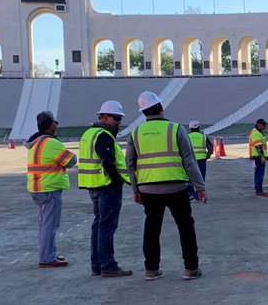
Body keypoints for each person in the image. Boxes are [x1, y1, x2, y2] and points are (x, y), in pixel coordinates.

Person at [125, 91, 207, 281]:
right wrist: (200, 187)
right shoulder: (176, 129)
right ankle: (191, 268)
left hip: (148, 190)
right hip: (176, 188)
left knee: (152, 228)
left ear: (143, 113)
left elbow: (130, 164)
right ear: (161, 107)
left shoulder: (135, 134)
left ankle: (151, 269)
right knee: (185, 225)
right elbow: (190, 162)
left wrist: (135, 190)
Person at [78, 100, 132, 277]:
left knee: (99, 225)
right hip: (107, 186)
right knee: (107, 226)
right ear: (105, 117)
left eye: (120, 119)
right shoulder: (103, 135)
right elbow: (108, 161)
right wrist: (117, 180)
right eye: (116, 118)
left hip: (93, 185)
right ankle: (108, 265)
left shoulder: (89, 133)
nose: (118, 122)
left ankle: (97, 265)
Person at [25, 110, 76, 268]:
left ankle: (47, 253)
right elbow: (71, 160)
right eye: (55, 122)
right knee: (50, 225)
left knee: (43, 224)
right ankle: (47, 258)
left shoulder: (35, 143)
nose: (57, 124)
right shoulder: (51, 143)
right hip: (50, 188)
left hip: (37, 188)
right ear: (50, 125)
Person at [186, 121, 211, 200]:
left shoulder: (187, 136)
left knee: (189, 176)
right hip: (201, 160)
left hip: (190, 160)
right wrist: (207, 156)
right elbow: (210, 148)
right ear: (199, 127)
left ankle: (191, 193)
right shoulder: (203, 137)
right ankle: (199, 195)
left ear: (190, 128)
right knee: (200, 177)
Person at [249, 118, 268, 197]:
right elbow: (258, 146)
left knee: (258, 173)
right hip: (258, 157)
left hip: (257, 157)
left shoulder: (258, 132)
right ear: (258, 124)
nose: (264, 126)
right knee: (259, 174)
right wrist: (262, 157)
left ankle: (259, 190)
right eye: (262, 125)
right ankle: (259, 191)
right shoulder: (256, 133)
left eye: (264, 125)